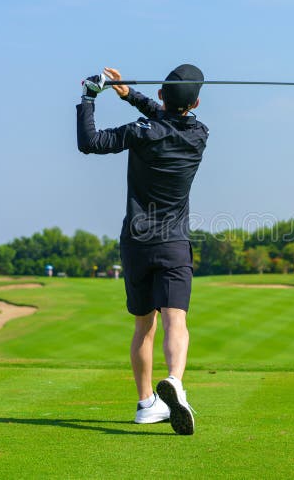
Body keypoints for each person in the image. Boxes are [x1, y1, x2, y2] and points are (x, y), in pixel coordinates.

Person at [76, 64, 209, 435]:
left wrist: (90, 96)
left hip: (136, 243)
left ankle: (146, 403)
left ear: (163, 94)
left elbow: (90, 142)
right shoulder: (200, 134)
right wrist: (130, 95)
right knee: (175, 320)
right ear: (196, 102)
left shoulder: (142, 133)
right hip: (174, 244)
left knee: (143, 327)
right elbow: (169, 118)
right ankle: (176, 382)